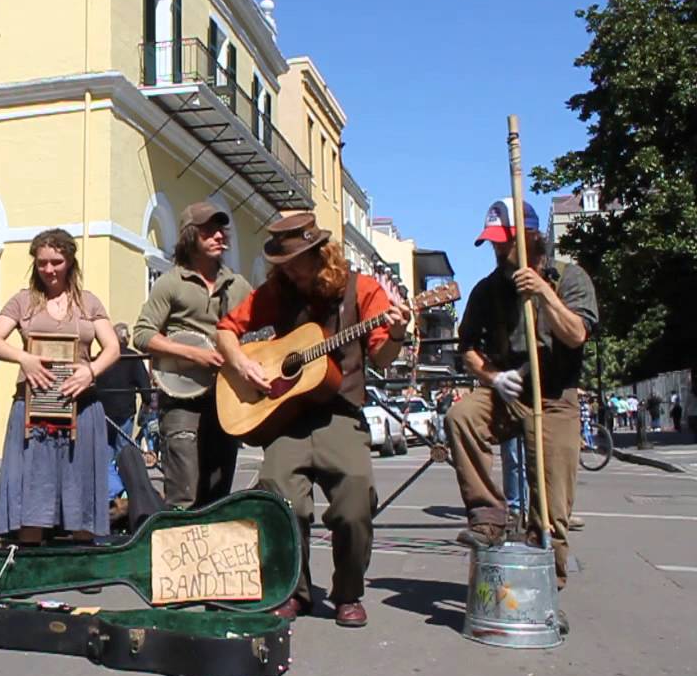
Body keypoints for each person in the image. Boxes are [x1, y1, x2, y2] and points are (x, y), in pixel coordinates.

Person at [215, 213, 410, 628]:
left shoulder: (363, 290)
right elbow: (227, 330)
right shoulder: (276, 291)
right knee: (281, 499)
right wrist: (244, 366)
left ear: (319, 253)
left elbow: (382, 358)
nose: (289, 270)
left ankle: (348, 594)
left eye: (296, 260)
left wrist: (395, 333)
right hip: (287, 416)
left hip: (340, 411)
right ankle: (294, 590)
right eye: (282, 262)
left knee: (355, 500)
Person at [446, 199, 598, 617]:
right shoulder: (488, 289)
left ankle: (547, 594)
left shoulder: (570, 277)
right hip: (510, 394)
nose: (497, 251)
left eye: (504, 242)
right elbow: (468, 349)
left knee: (551, 507)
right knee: (461, 417)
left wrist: (544, 293)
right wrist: (493, 377)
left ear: (529, 236)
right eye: (492, 244)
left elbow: (576, 334)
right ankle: (488, 515)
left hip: (555, 396)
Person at [0, 229, 119, 545]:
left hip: (82, 406)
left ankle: (83, 561)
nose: (49, 270)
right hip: (34, 408)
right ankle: (32, 561)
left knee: (82, 485)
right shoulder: (23, 302)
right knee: (33, 486)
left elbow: (112, 347)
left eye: (56, 262)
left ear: (70, 261)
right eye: (42, 263)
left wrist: (91, 370)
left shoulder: (88, 303)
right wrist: (25, 359)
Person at [132, 202, 252, 509]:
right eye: (208, 231)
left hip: (226, 399)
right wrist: (192, 354)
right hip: (182, 400)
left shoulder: (238, 286)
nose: (218, 237)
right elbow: (142, 334)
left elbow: (260, 329)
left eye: (220, 230)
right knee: (183, 493)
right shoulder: (171, 282)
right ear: (189, 236)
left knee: (217, 492)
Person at [94, 322, 150, 512]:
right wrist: (148, 400)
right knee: (124, 454)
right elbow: (144, 382)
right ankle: (125, 491)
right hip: (123, 412)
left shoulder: (102, 356)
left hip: (103, 413)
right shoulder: (132, 357)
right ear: (126, 338)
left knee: (106, 454)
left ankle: (111, 493)